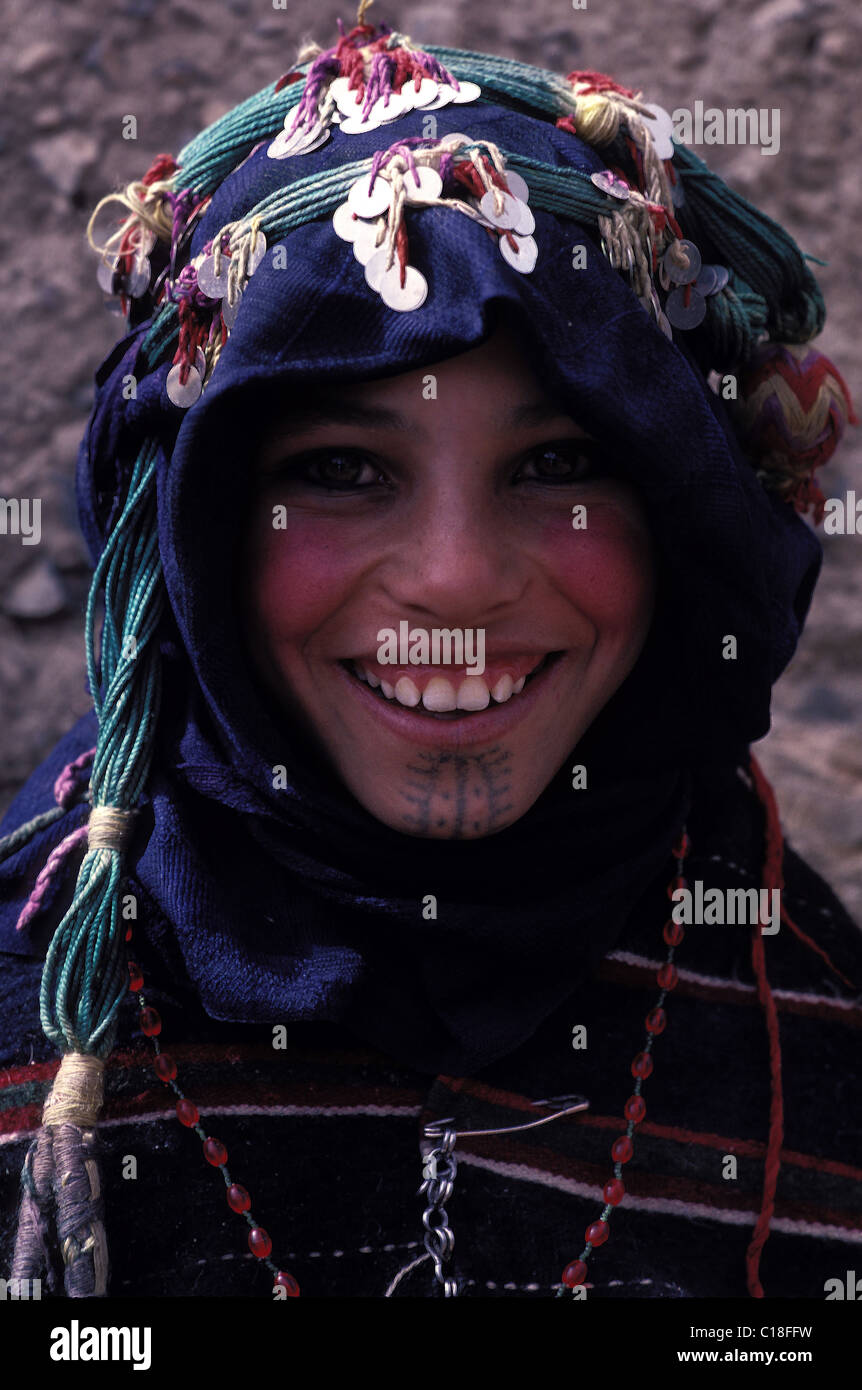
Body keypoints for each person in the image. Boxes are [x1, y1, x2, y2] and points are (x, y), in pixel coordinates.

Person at [0, 4, 859, 1302]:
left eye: (560, 465)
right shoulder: (35, 999)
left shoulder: (803, 1010)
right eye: (338, 470)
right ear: (190, 532)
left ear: (689, 514)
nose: (454, 575)